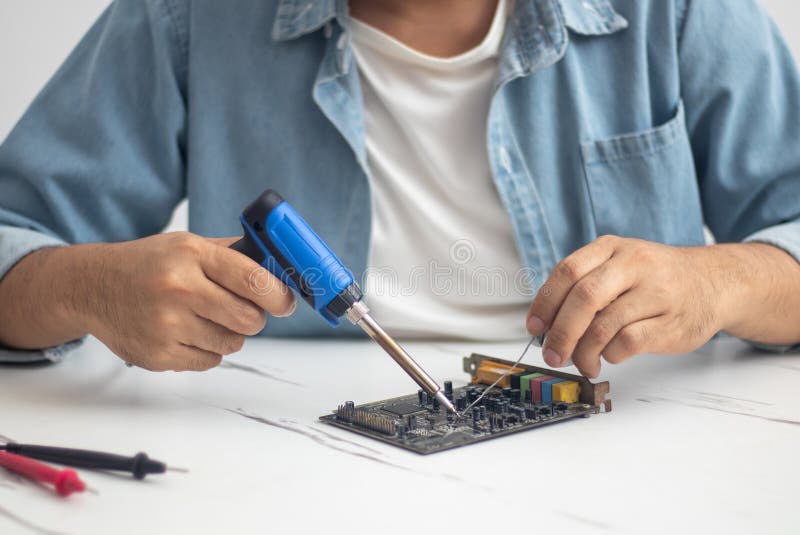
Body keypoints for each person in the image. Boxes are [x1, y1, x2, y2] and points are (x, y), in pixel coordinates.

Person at [0, 0, 798, 377]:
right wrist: (89, 286)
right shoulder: (186, 18)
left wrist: (716, 281)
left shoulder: (682, 11)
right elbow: (13, 234)